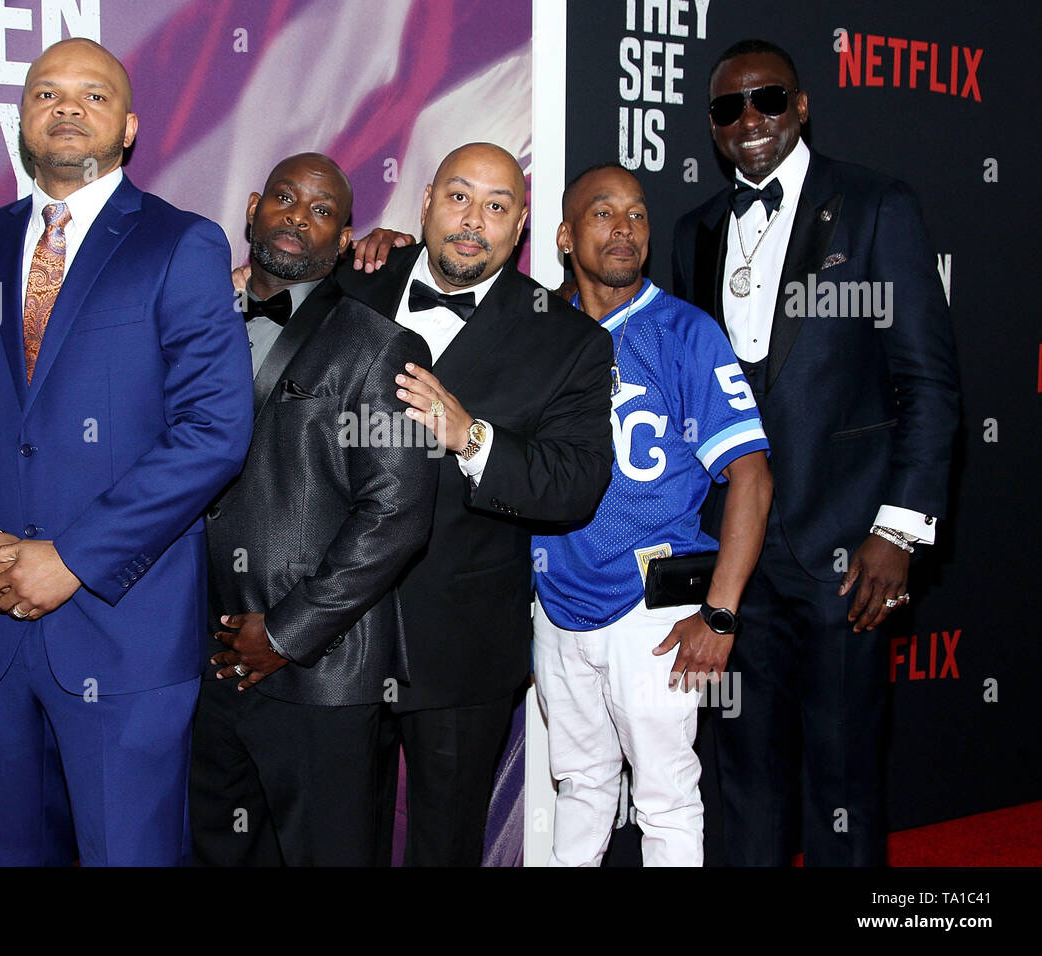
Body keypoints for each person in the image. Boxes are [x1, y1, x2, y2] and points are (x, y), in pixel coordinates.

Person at [0, 38, 253, 866]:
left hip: (124, 635)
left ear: (127, 127)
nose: (67, 107)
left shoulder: (180, 245)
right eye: (47, 92)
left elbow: (213, 432)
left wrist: (74, 557)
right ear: (21, 119)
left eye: (92, 96)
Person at [672, 39, 959, 866]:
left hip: (846, 551)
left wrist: (897, 531)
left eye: (768, 99)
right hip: (734, 560)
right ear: (714, 127)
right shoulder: (697, 232)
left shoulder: (875, 205)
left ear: (803, 106)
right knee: (745, 785)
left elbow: (928, 384)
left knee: (843, 787)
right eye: (729, 108)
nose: (750, 119)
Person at [336, 143, 616, 866]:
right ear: (424, 201)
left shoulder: (568, 339)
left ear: (520, 226)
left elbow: (574, 484)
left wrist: (472, 436)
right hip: (330, 627)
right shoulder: (346, 287)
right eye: (458, 197)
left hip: (463, 643)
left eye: (496, 207)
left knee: (446, 846)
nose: (473, 221)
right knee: (330, 841)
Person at [189, 153, 436, 866]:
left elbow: (395, 515)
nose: (298, 216)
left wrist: (288, 632)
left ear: (345, 240)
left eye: (321, 210)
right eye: (286, 198)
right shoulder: (195, 328)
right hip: (205, 665)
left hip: (321, 674)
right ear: (252, 209)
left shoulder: (382, 347)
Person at [532, 164, 772, 866]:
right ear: (565, 236)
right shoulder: (538, 330)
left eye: (637, 214)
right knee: (579, 784)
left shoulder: (683, 332)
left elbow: (751, 478)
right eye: (603, 213)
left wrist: (721, 613)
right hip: (555, 603)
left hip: (652, 607)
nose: (625, 228)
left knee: (665, 799)